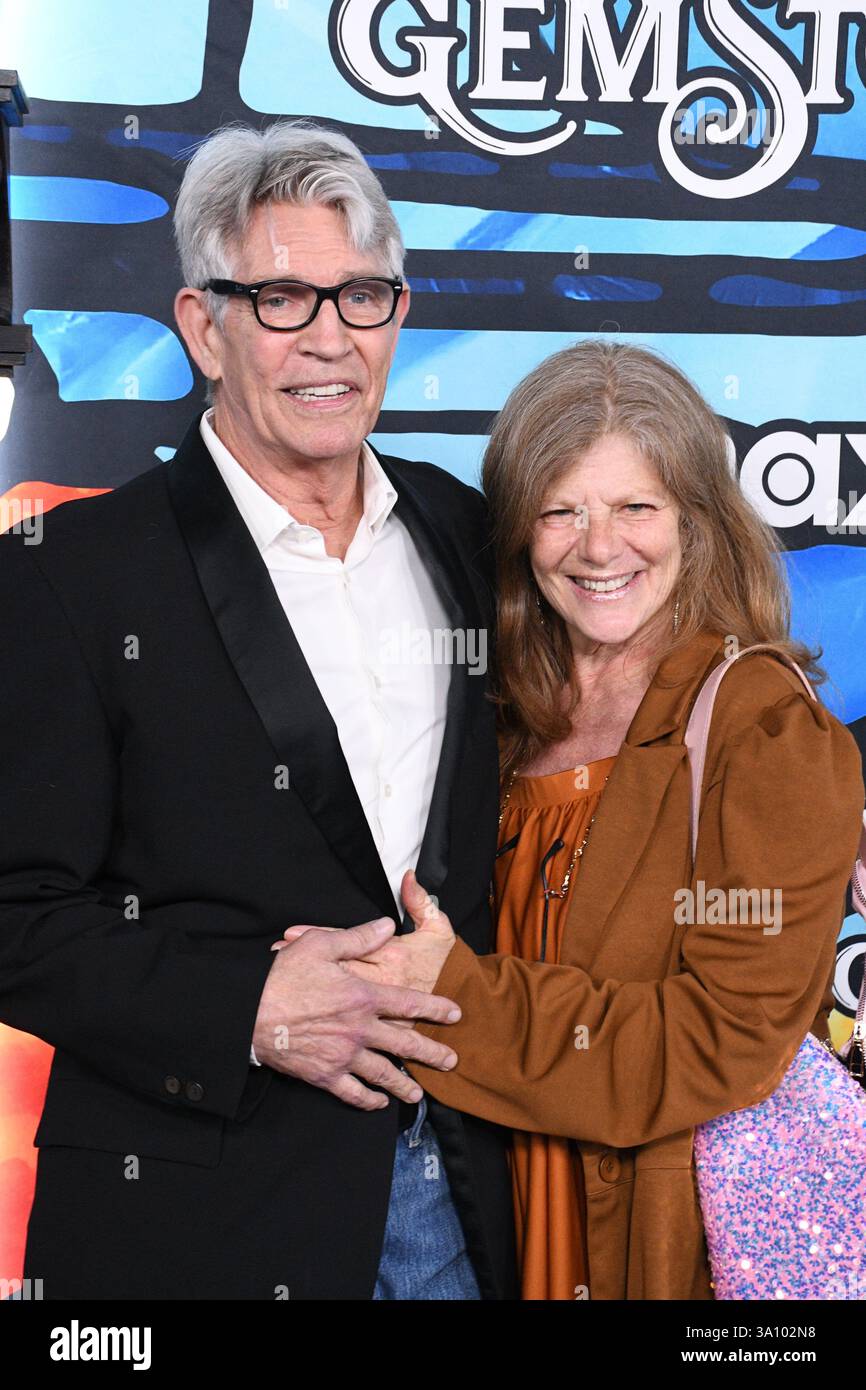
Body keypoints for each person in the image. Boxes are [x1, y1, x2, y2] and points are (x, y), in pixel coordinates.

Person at [0, 119, 517, 1300]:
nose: (329, 338)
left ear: (397, 314)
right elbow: (13, 907)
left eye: (361, 296)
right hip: (198, 1221)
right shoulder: (70, 574)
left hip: (462, 1193)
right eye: (281, 298)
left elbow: (627, 696)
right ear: (203, 329)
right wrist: (248, 1006)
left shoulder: (467, 531)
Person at [279, 341, 865, 1299]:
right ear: (519, 530)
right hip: (472, 1222)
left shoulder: (763, 732)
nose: (599, 548)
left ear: (698, 520)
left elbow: (723, 1038)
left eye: (637, 507)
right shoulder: (490, 710)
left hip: (651, 1240)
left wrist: (456, 1000)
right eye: (562, 511)